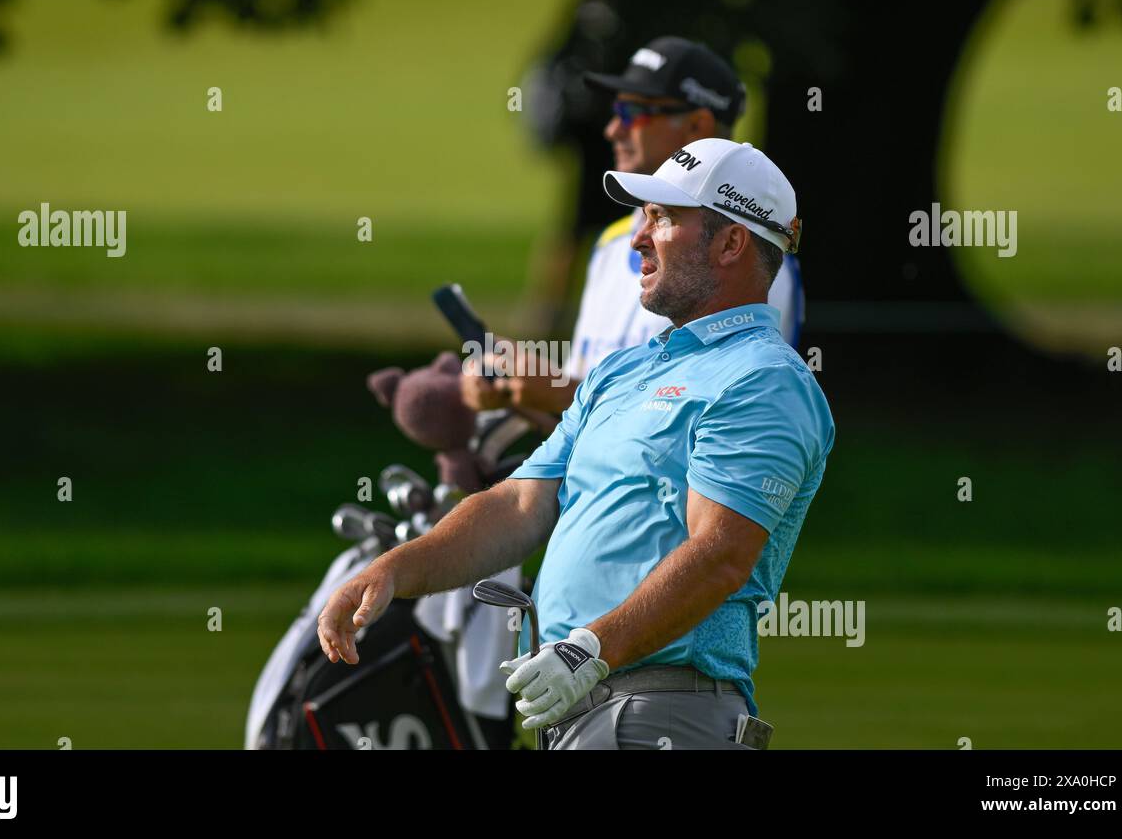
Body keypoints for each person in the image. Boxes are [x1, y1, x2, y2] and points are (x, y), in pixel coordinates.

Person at [318, 138, 835, 749]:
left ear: (730, 243)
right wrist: (393, 570)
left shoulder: (763, 381)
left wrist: (589, 649)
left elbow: (720, 552)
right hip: (581, 706)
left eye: (665, 218)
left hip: (661, 712)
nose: (641, 238)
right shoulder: (622, 372)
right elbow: (516, 506)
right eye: (645, 215)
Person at [462, 36, 804, 417]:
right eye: (614, 111)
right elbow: (576, 433)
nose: (612, 130)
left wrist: (558, 392)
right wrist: (513, 393)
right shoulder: (610, 245)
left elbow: (688, 426)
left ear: (697, 124)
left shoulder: (745, 261)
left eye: (632, 113)